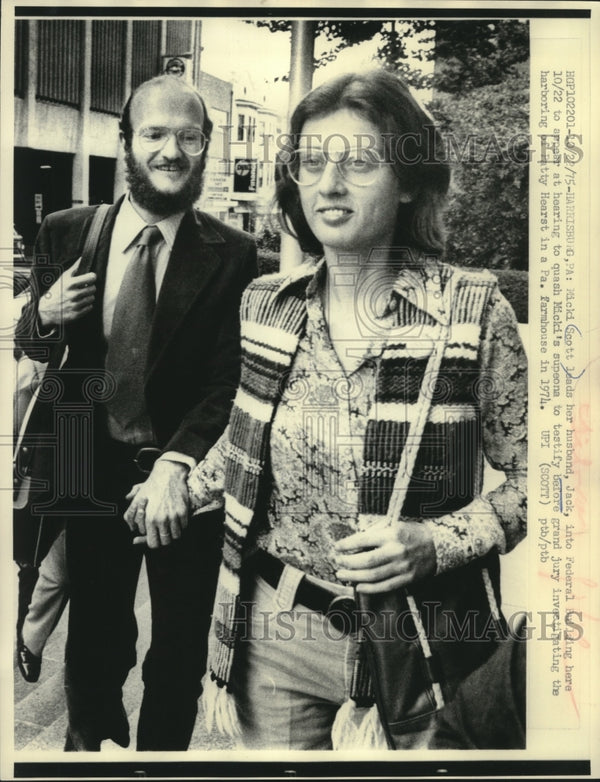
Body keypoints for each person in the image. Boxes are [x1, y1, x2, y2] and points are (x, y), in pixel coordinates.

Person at [141, 69, 527, 750]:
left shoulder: (472, 312)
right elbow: (245, 446)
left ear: (409, 180)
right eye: (313, 162)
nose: (330, 183)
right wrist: (172, 483)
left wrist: (438, 542)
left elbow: (550, 482)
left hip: (419, 643)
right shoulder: (267, 301)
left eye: (360, 162)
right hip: (274, 634)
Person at [15, 74, 258, 751]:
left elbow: (226, 379)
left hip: (185, 483)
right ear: (125, 142)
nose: (171, 151)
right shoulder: (66, 233)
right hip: (86, 468)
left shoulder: (234, 255)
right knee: (95, 643)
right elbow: (33, 349)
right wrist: (43, 314)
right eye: (154, 134)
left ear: (207, 146)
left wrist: (179, 462)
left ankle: (159, 763)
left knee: (177, 652)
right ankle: (91, 752)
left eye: (188, 136)